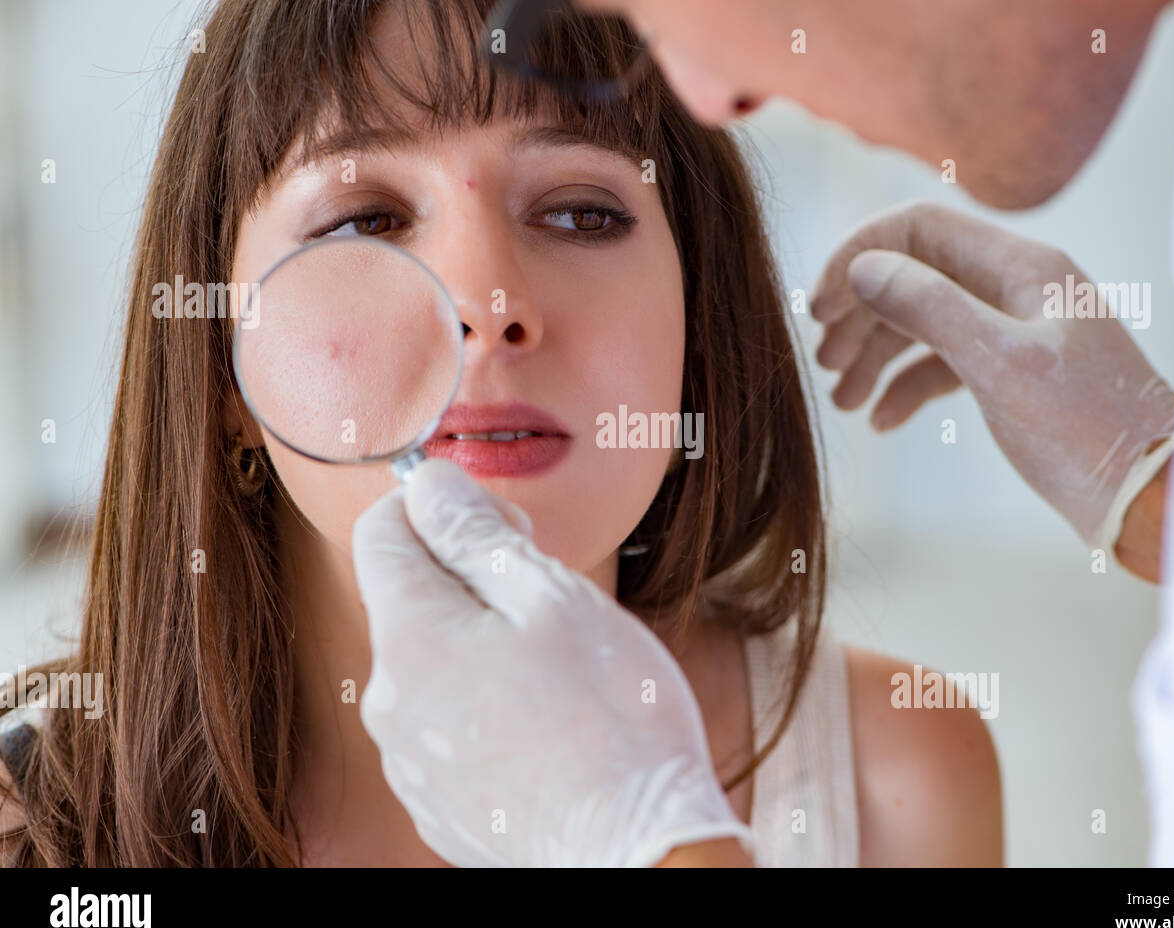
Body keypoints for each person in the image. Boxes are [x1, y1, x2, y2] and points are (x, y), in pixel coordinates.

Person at [0, 0, 1002, 867]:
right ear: (220, 369)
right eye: (363, 219)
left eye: (578, 214)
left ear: (698, 323)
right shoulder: (29, 829)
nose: (487, 303)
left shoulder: (892, 773)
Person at [580, 0, 1174, 865]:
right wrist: (1173, 503)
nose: (707, 93)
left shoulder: (901, 756)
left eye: (579, 213)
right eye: (373, 217)